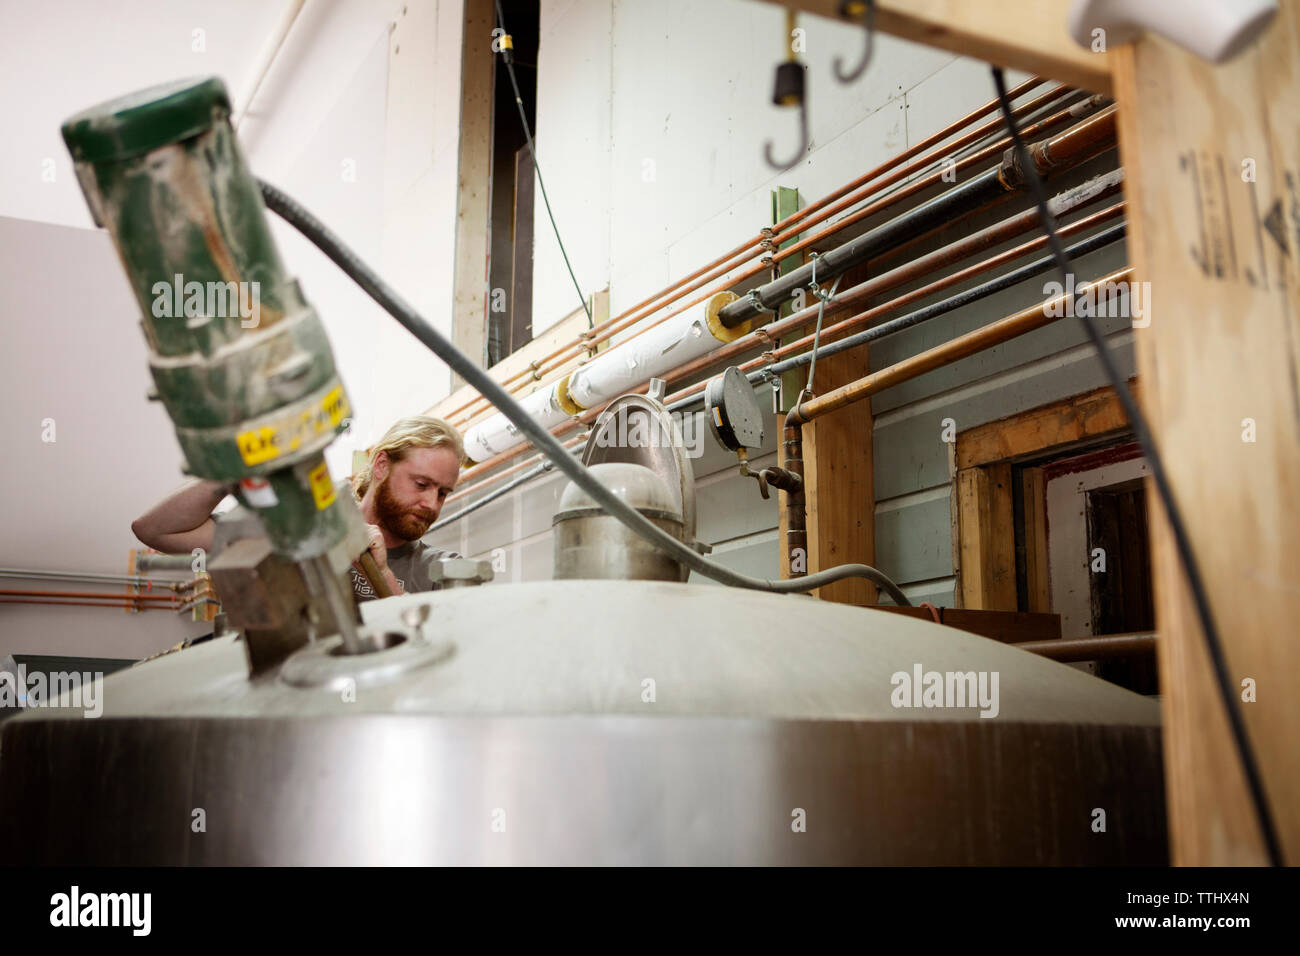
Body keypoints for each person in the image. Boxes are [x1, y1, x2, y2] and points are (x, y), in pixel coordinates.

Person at [131, 416, 464, 602]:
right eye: (421, 485)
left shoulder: (442, 572)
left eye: (443, 493)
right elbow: (156, 530)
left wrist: (382, 575)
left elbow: (440, 654)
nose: (431, 504)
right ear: (380, 466)